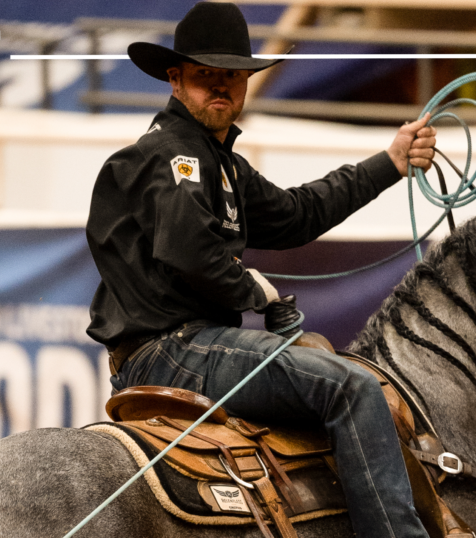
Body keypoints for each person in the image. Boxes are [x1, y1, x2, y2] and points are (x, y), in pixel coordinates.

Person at [84, 3, 436, 538]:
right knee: (353, 388)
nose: (221, 87)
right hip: (171, 350)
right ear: (176, 80)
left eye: (232, 76)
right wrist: (257, 290)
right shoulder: (170, 156)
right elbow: (188, 249)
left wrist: (388, 162)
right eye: (206, 75)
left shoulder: (221, 163)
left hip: (189, 347)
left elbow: (298, 215)